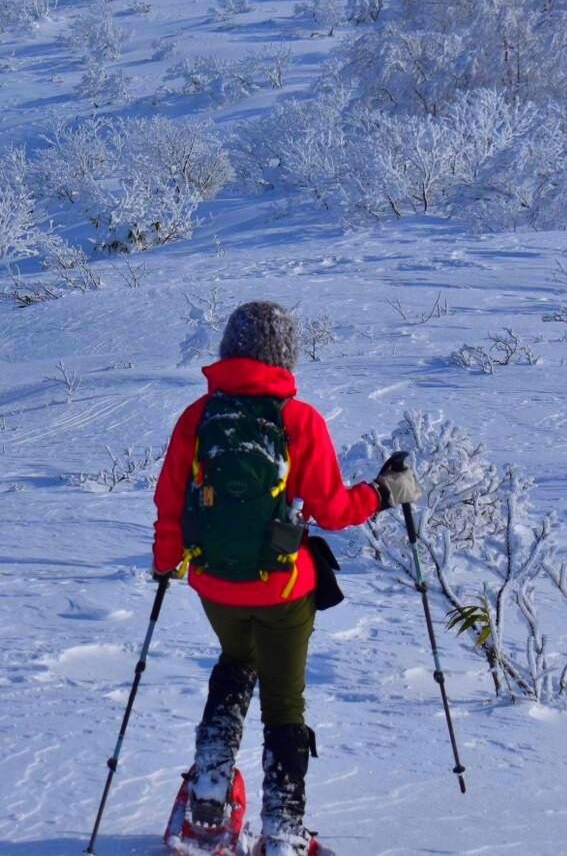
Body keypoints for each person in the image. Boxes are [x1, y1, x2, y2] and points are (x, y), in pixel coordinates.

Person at [152, 301, 422, 856]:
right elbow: (334, 509)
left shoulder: (197, 418)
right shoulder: (298, 421)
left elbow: (169, 504)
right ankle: (283, 827)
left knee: (234, 665)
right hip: (283, 590)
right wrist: (384, 492)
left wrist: (165, 565)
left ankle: (208, 800)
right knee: (284, 701)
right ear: (284, 356)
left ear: (229, 350)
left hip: (214, 584)